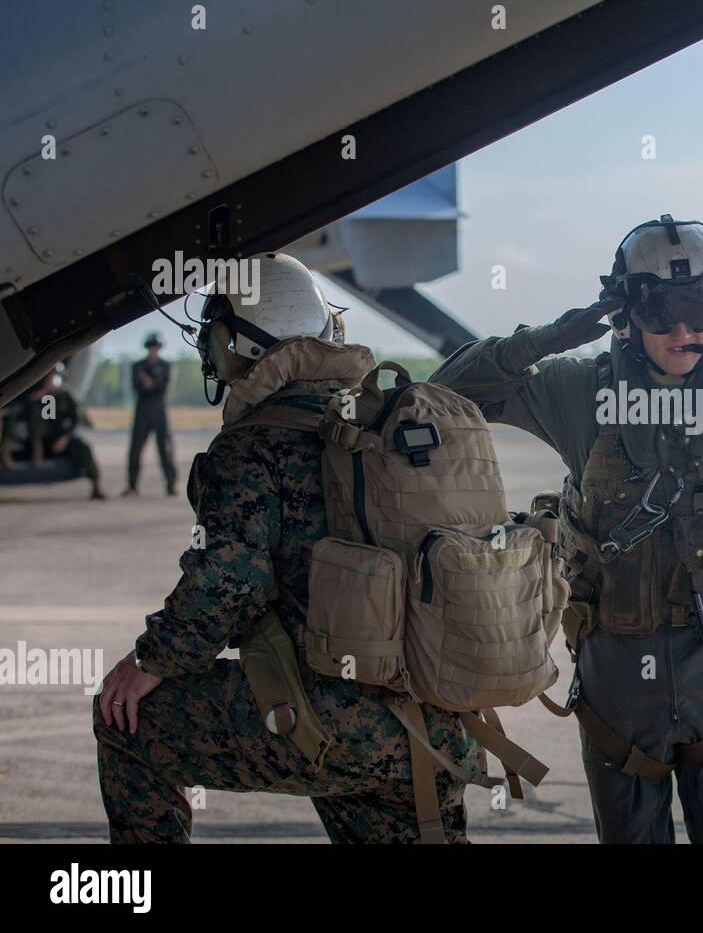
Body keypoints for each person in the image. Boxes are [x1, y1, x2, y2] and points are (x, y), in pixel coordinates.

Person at [432, 215, 703, 843]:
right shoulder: (582, 392)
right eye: (659, 308)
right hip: (617, 688)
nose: (682, 330)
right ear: (623, 308)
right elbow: (448, 392)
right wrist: (550, 337)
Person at [93, 252, 481, 843]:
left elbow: (228, 581)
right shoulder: (380, 427)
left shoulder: (252, 446)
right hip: (434, 724)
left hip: (333, 726)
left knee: (126, 721)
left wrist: (151, 661)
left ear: (234, 345)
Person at [13, 367, 106, 500]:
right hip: (36, 442)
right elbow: (31, 423)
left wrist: (65, 438)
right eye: (48, 377)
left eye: (53, 377)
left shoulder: (65, 396)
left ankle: (96, 486)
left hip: (59, 440)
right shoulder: (34, 398)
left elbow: (75, 420)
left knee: (82, 447)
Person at [122, 331, 178, 496]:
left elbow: (163, 388)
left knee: (165, 449)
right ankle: (132, 485)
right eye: (151, 346)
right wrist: (150, 384)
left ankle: (170, 485)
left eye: (156, 347)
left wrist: (149, 383)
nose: (153, 349)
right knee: (135, 448)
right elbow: (137, 387)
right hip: (142, 410)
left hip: (159, 411)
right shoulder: (138, 365)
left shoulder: (165, 366)